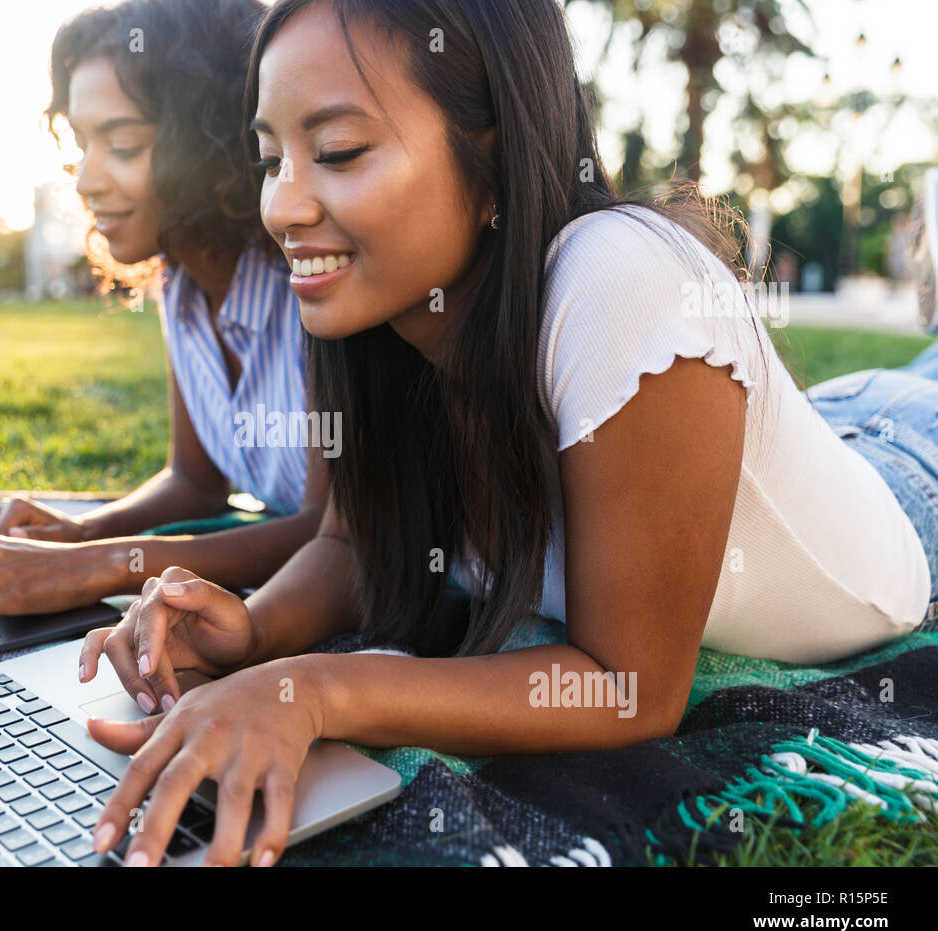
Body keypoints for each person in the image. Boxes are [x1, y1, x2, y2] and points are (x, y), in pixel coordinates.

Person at [75, 0, 938, 867]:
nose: (283, 206)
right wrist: (253, 633)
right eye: (271, 159)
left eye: (337, 152)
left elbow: (627, 688)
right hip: (823, 435)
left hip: (912, 466)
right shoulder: (383, 317)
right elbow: (350, 543)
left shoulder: (618, 277)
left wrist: (313, 689)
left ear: (491, 157)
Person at [0, 0, 326, 644]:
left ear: (211, 143)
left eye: (123, 144)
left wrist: (91, 566)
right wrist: (73, 534)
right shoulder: (179, 284)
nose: (86, 180)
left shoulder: (311, 281)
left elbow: (331, 534)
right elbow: (196, 482)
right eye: (79, 144)